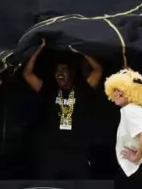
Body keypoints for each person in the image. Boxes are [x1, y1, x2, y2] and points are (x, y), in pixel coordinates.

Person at [22, 41, 103, 179]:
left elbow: (98, 70)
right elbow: (27, 74)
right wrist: (37, 50)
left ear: (71, 73)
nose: (59, 73)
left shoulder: (82, 89)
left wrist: (81, 51)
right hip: (52, 154)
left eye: (63, 70)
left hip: (77, 153)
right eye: (57, 70)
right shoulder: (49, 90)